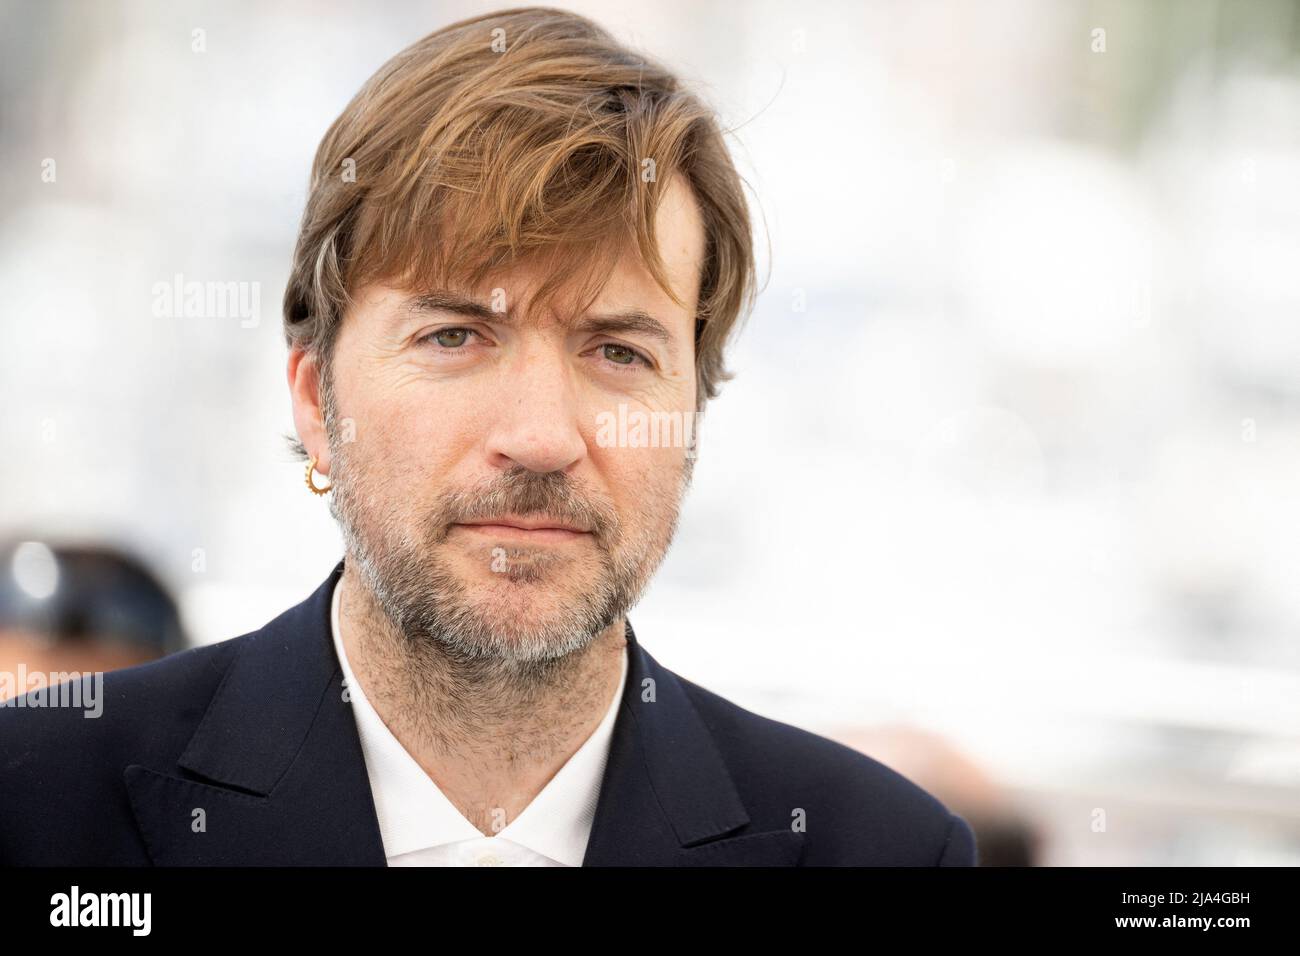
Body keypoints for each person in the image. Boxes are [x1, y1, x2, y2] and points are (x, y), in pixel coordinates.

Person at [0, 6, 977, 866]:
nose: (541, 436)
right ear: (313, 401)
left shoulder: (878, 847)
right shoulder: (33, 806)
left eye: (618, 351)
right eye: (456, 335)